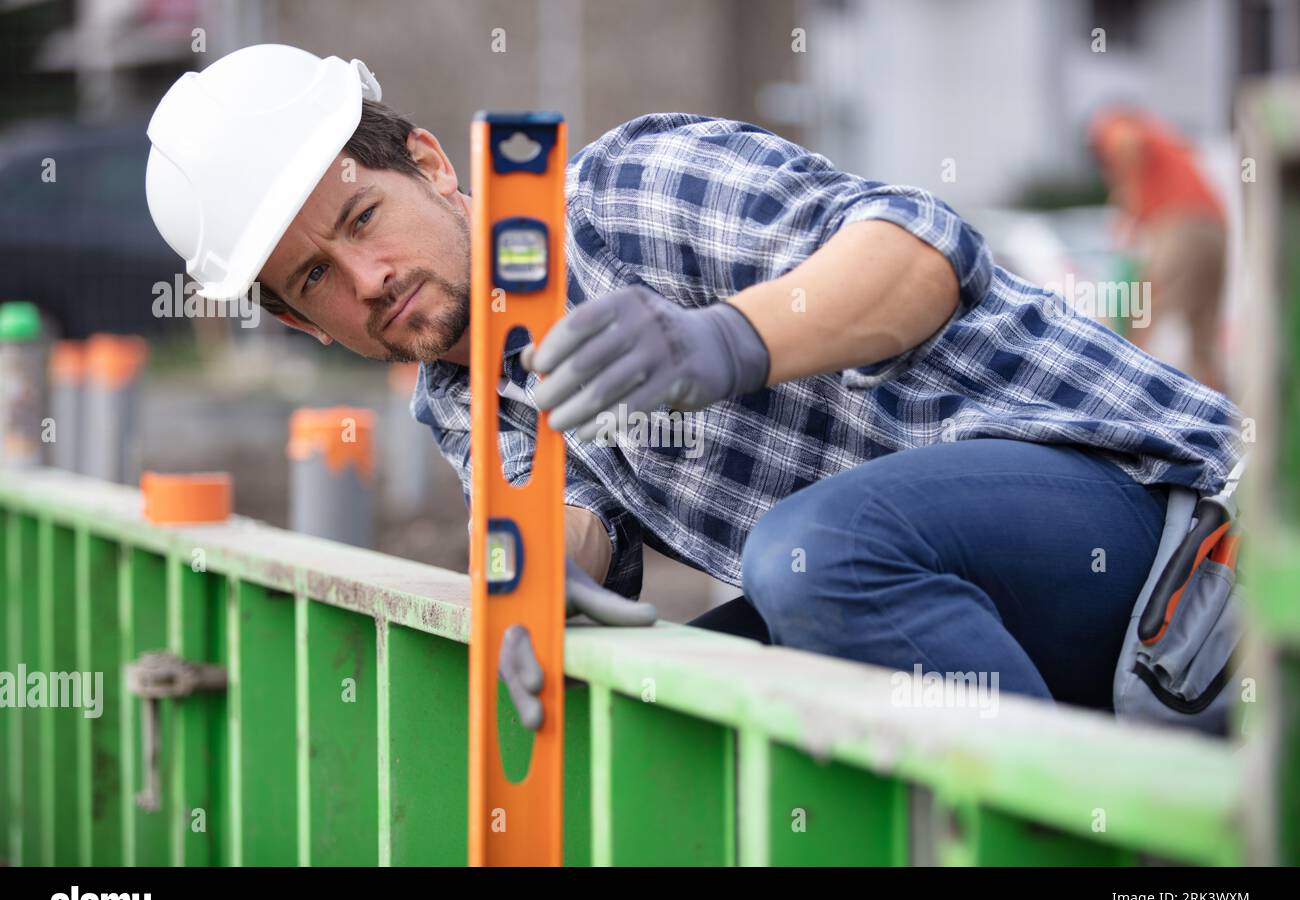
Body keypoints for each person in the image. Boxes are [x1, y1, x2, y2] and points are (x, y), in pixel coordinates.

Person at [145, 45, 1243, 729]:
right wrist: (519, 598)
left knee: (813, 554)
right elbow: (567, 532)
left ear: (430, 164)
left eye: (362, 219)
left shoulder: (623, 191)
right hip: (969, 608)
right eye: (316, 282)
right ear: (303, 325)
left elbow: (918, 256)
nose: (367, 279)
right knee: (683, 696)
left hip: (1154, 529)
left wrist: (719, 342)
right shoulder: (458, 394)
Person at [1089, 106, 1229, 393]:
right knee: (1203, 338)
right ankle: (1223, 415)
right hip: (1216, 230)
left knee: (1139, 315)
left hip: (1181, 227)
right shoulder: (1164, 139)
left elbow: (1127, 140)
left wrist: (1128, 199)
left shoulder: (1113, 123)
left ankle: (1124, 394)